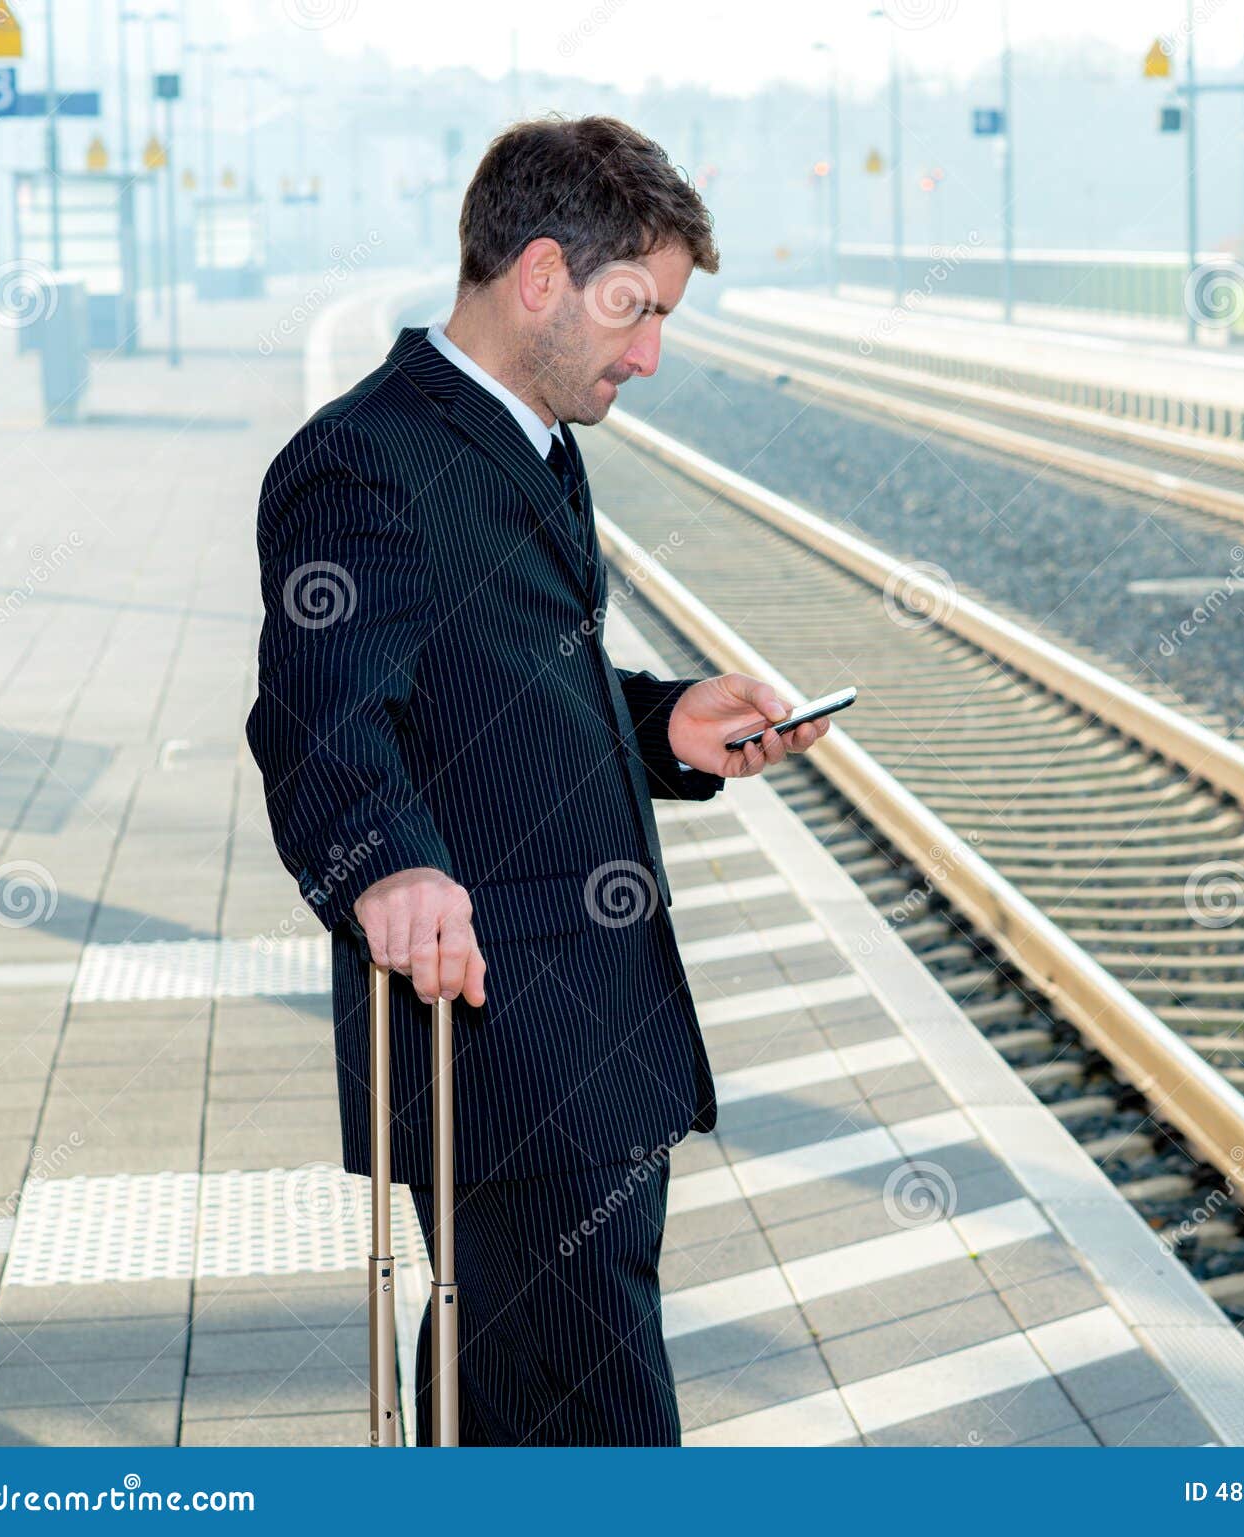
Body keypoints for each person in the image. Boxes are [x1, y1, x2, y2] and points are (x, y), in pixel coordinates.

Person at [244, 115, 830, 1446]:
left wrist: (668, 718)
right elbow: (319, 714)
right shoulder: (367, 459)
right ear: (542, 273)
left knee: (513, 1408)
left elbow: (504, 699)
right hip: (500, 1046)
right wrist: (385, 863)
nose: (650, 353)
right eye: (637, 310)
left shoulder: (534, 444)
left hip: (585, 1045)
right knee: (592, 1421)